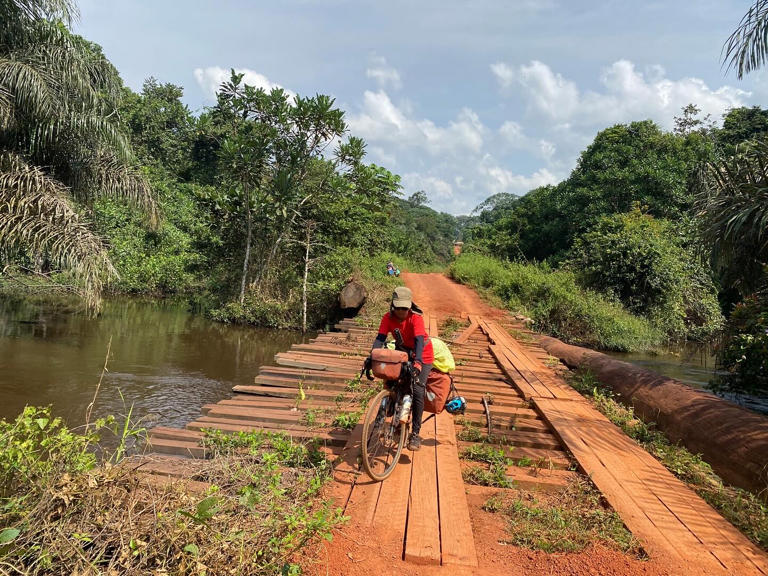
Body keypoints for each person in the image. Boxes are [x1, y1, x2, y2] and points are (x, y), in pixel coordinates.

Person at [371, 286, 433, 451]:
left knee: (417, 390)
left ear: (409, 307)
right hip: (403, 352)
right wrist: (372, 356)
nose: (401, 311)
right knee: (393, 381)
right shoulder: (387, 318)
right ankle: (391, 410)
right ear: (393, 306)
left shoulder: (415, 318)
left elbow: (419, 341)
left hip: (423, 354)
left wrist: (418, 362)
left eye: (404, 308)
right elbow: (380, 338)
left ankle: (415, 434)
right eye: (398, 308)